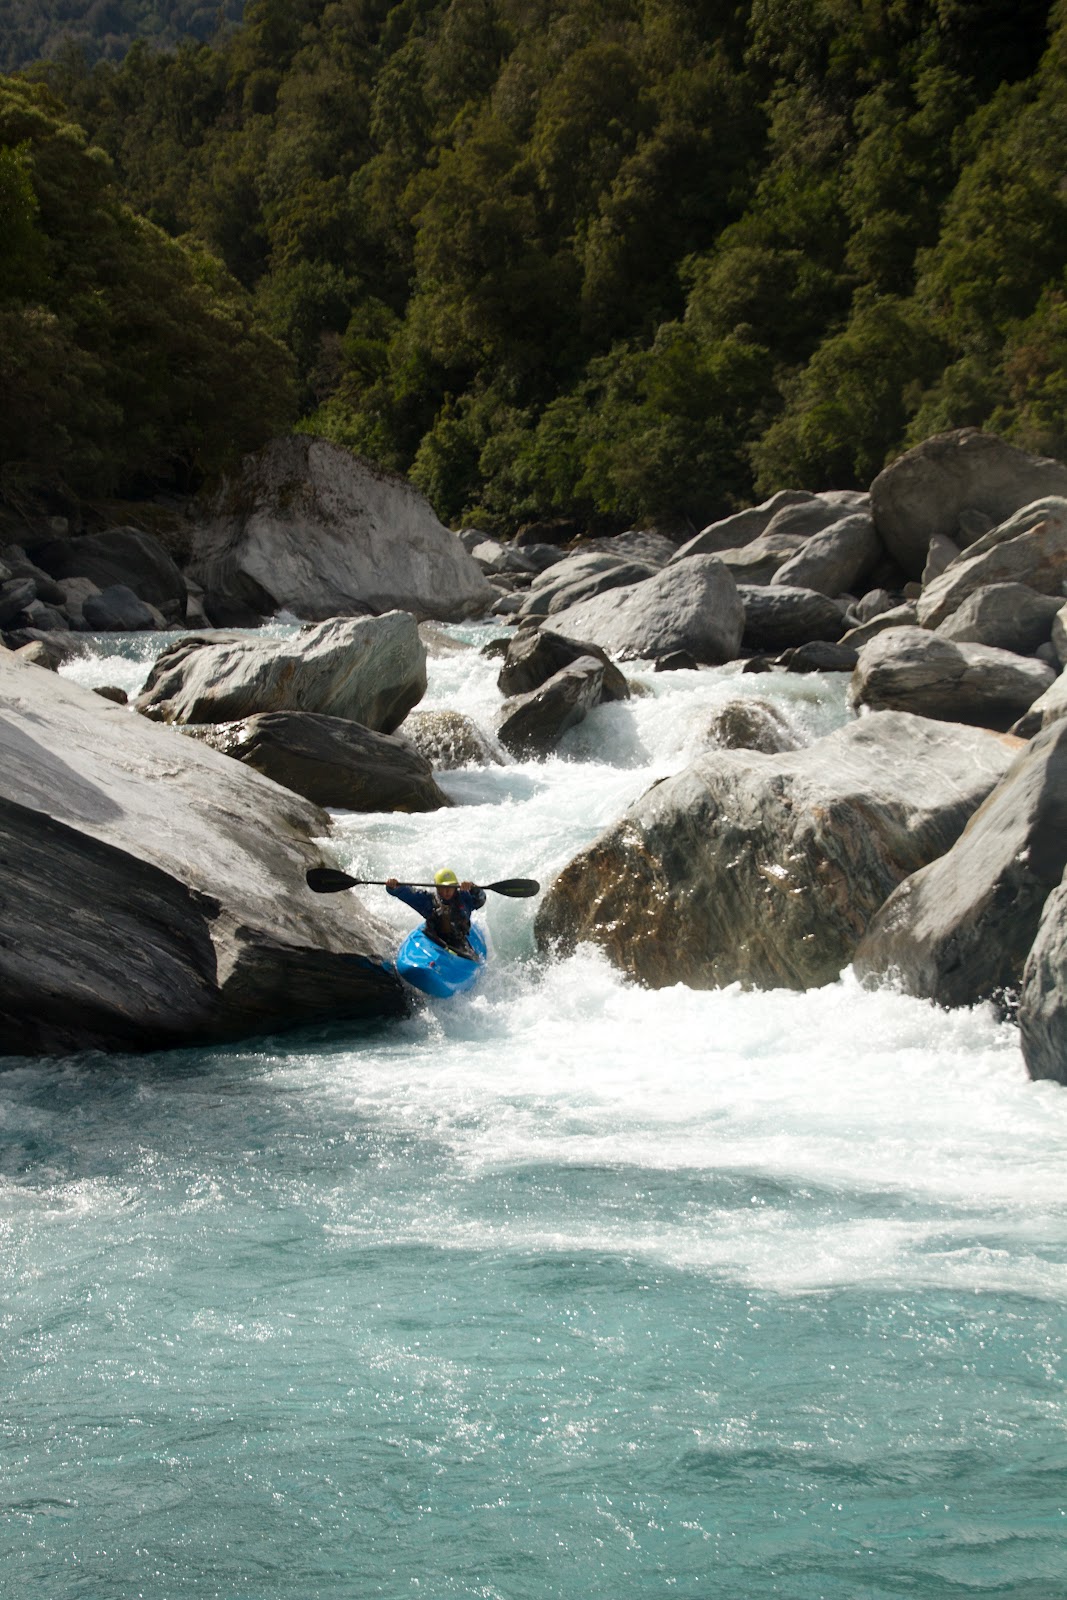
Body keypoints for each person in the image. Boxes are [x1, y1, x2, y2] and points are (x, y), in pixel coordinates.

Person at [385, 869, 487, 960]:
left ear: (455, 887)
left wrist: (473, 888)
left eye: (450, 887)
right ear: (437, 888)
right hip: (433, 938)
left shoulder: (464, 898)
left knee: (475, 959)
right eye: (443, 887)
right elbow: (409, 893)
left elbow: (481, 899)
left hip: (458, 941)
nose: (447, 891)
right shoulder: (429, 901)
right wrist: (394, 887)